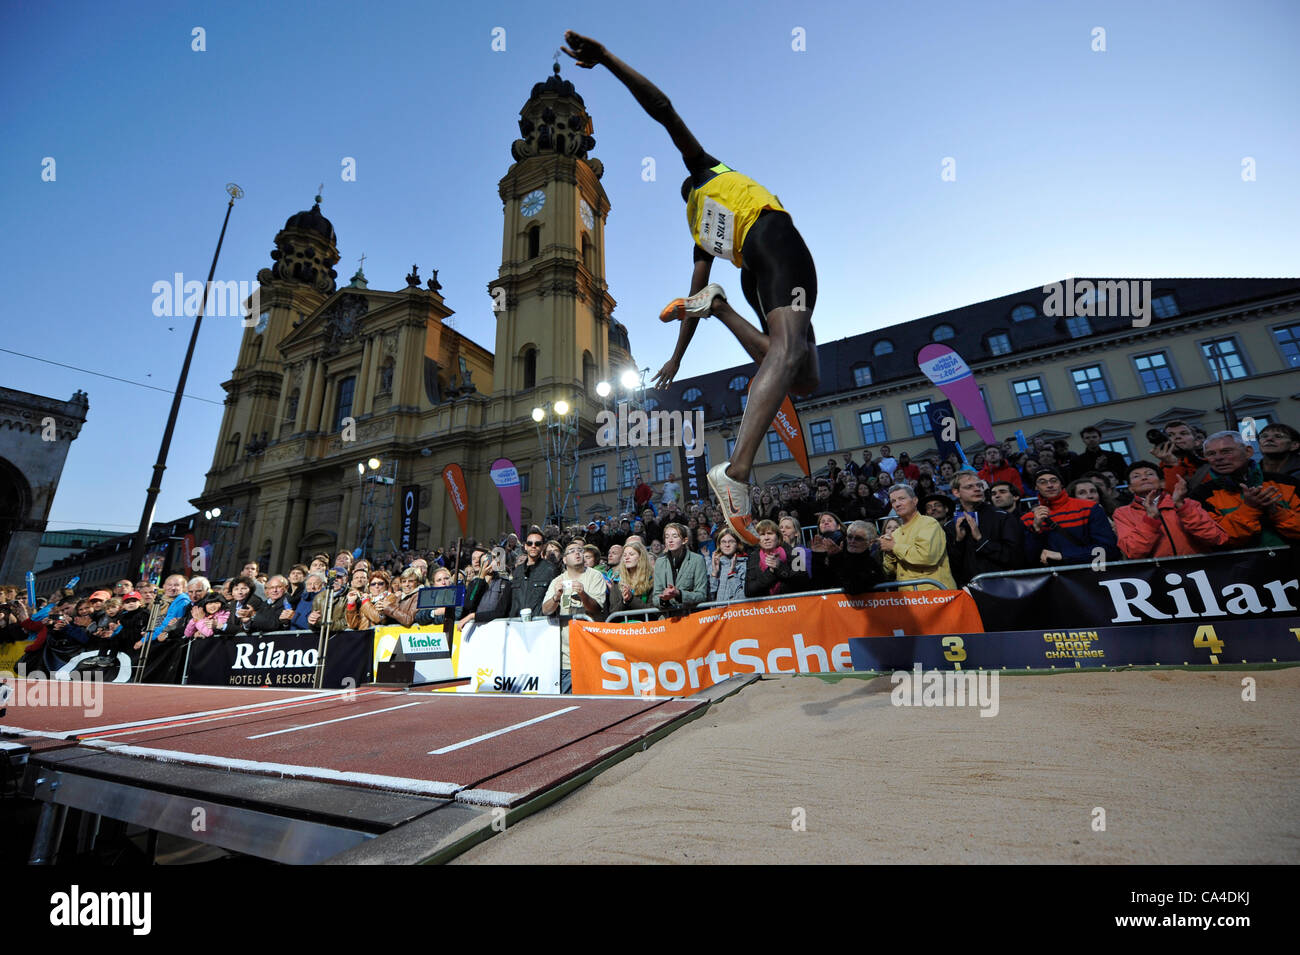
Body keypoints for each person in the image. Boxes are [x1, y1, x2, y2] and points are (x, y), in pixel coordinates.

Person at [563, 31, 819, 547]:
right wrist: (609, 57)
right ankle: (737, 472)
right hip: (775, 239)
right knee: (790, 354)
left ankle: (722, 309)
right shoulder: (709, 170)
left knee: (801, 375)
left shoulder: (700, 233)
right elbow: (664, 110)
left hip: (753, 271)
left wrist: (678, 358)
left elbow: (689, 302)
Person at [1189, 431, 1300, 547]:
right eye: (1211, 454)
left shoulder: (1286, 483)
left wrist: (1276, 512)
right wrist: (1250, 509)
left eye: (1226, 451)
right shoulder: (1201, 494)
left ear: (1248, 452)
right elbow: (1218, 537)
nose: (1218, 458)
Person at [1114, 460, 1227, 558]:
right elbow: (1133, 552)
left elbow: (1215, 538)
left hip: (1200, 570)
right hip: (1157, 575)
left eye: (1149, 474)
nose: (1144, 478)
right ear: (1130, 488)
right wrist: (1150, 520)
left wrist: (1181, 506)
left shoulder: (1187, 504)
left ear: (1162, 483)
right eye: (1136, 476)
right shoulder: (1123, 513)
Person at [542, 539, 609, 693]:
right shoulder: (557, 581)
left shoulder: (595, 576)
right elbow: (545, 610)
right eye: (572, 551)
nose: (577, 553)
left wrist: (583, 594)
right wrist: (556, 597)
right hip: (566, 656)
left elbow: (596, 608)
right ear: (564, 559)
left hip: (591, 650)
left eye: (580, 550)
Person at [1021, 467, 1121, 566]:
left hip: (1093, 574)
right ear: (1035, 487)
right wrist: (1036, 529)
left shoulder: (1089, 508)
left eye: (1054, 481)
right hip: (1053, 579)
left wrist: (1064, 556)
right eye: (1042, 482)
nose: (1049, 485)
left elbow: (1108, 549)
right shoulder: (1027, 519)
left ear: (1061, 484)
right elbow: (1029, 560)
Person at [942, 470, 1026, 586]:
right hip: (969, 589)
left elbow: (1014, 556)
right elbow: (952, 566)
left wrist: (980, 539)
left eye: (979, 485)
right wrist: (959, 541)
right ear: (956, 492)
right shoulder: (950, 526)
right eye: (969, 487)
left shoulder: (1002, 517)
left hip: (1003, 586)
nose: (977, 489)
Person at [879, 485, 956, 590]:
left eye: (902, 499)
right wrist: (889, 553)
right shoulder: (895, 534)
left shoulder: (929, 523)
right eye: (893, 501)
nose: (897, 504)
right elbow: (890, 572)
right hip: (909, 599)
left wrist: (894, 547)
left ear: (914, 501)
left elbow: (926, 557)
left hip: (935, 594)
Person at [652, 522, 709, 613]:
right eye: (667, 537)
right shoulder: (660, 562)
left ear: (684, 540)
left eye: (675, 536)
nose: (670, 540)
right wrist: (664, 599)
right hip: (667, 617)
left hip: (689, 616)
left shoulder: (697, 560)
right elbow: (655, 597)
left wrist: (679, 594)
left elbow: (701, 595)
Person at [511, 530, 560, 618]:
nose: (533, 546)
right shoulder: (517, 570)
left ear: (542, 547)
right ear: (525, 546)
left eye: (537, 544)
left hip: (541, 623)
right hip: (517, 623)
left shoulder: (551, 570)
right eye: (530, 543)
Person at [610, 540, 657, 614]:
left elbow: (654, 611)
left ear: (641, 557)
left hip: (645, 624)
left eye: (631, 554)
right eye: (624, 555)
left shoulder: (652, 580)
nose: (627, 558)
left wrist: (631, 599)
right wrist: (624, 602)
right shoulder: (617, 581)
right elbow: (612, 612)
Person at [707, 527, 748, 602]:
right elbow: (709, 597)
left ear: (738, 544)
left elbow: (743, 597)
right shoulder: (714, 565)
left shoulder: (745, 565)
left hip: (737, 612)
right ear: (719, 545)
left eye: (731, 541)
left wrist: (732, 574)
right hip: (718, 611)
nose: (727, 545)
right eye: (723, 542)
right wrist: (714, 574)